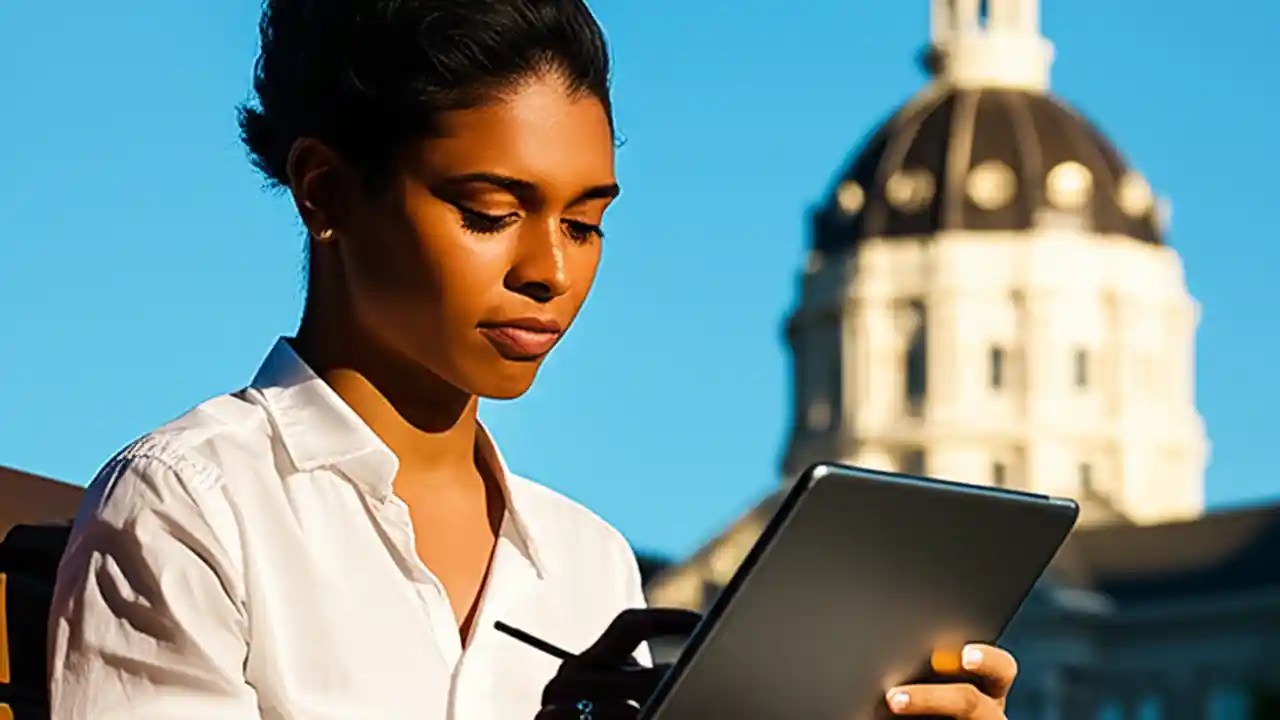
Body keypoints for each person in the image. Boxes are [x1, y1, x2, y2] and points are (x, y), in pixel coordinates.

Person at [45, 1, 1021, 718]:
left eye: (586, 223)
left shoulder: (589, 564)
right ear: (325, 193)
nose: (549, 271)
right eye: (489, 213)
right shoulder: (194, 505)